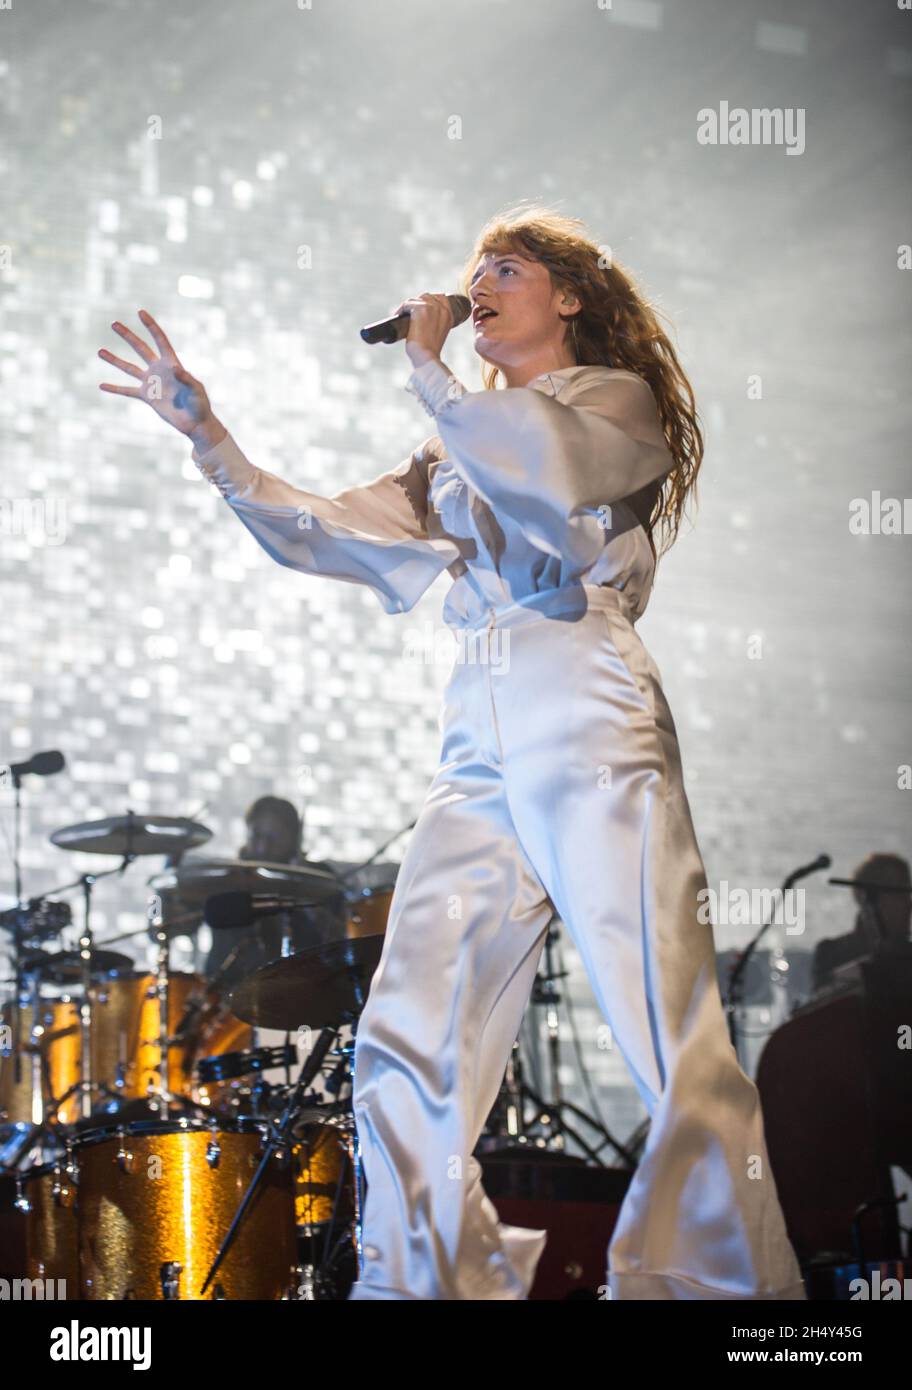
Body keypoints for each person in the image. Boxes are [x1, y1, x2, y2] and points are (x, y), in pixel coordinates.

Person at [98, 203, 806, 1301]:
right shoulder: (453, 440)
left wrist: (432, 370)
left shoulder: (612, 403)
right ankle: (427, 1283)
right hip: (475, 730)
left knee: (665, 1015)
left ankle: (710, 1289)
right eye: (472, 269)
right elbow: (326, 529)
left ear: (568, 297)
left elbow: (550, 473)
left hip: (585, 701)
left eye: (506, 268)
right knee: (407, 1026)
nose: (477, 284)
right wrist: (213, 441)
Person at [204, 794, 343, 988]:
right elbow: (177, 925)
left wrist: (304, 892)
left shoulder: (318, 878)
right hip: (228, 996)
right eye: (256, 836)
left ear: (293, 839)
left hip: (303, 992)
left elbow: (341, 939)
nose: (262, 847)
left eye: (273, 838)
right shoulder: (226, 879)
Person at [812, 851, 911, 994]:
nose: (909, 904)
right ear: (871, 900)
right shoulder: (832, 954)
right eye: (900, 894)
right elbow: (820, 1007)